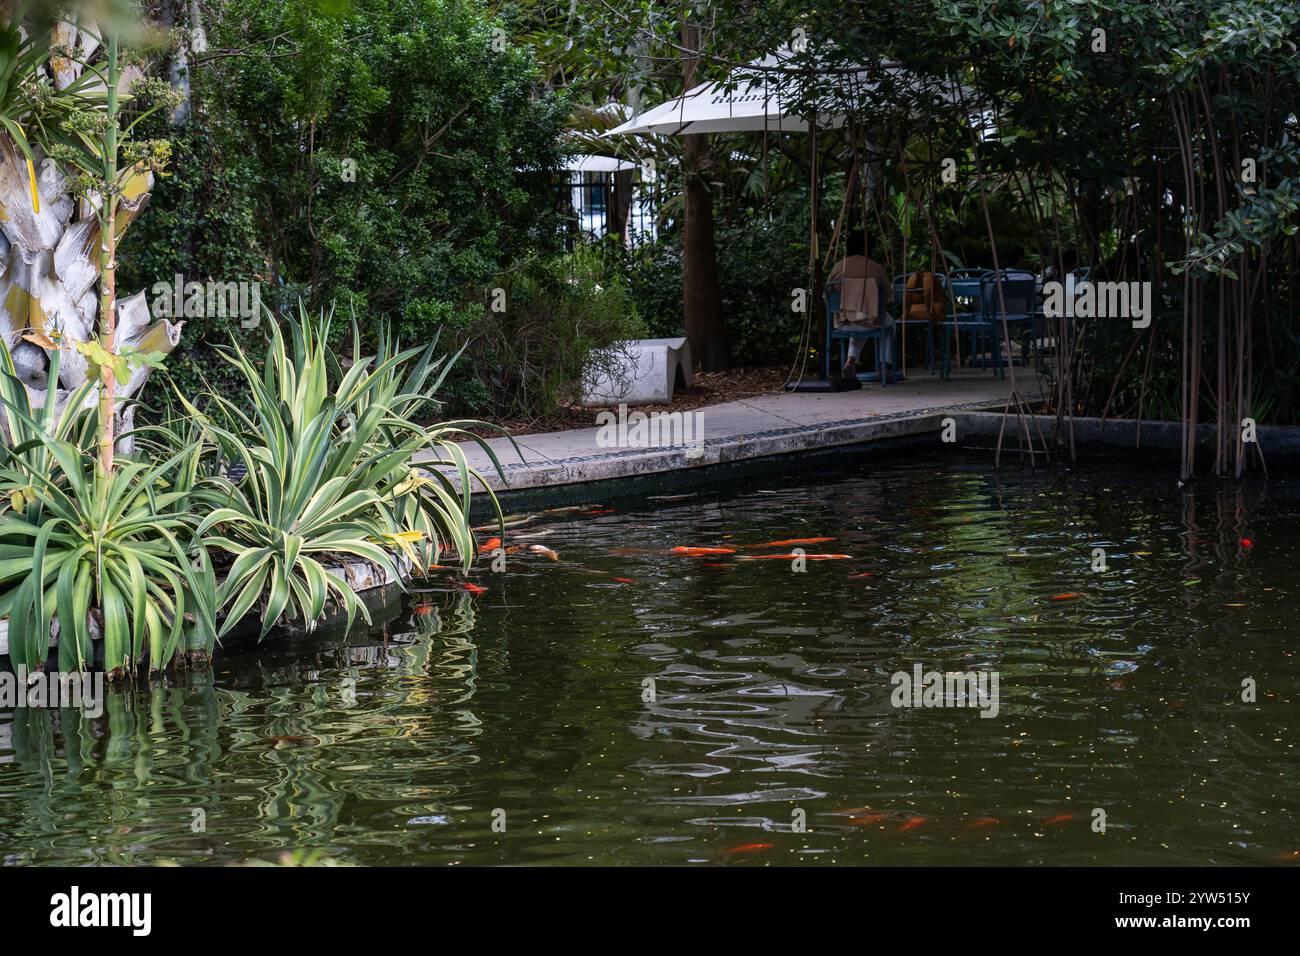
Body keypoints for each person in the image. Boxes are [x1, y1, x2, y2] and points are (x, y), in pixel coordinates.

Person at [828, 230, 894, 379]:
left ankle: (850, 361)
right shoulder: (876, 268)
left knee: (858, 315)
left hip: (843, 322)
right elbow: (887, 297)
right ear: (870, 247)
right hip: (869, 320)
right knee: (887, 323)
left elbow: (828, 294)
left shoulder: (838, 267)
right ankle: (884, 365)